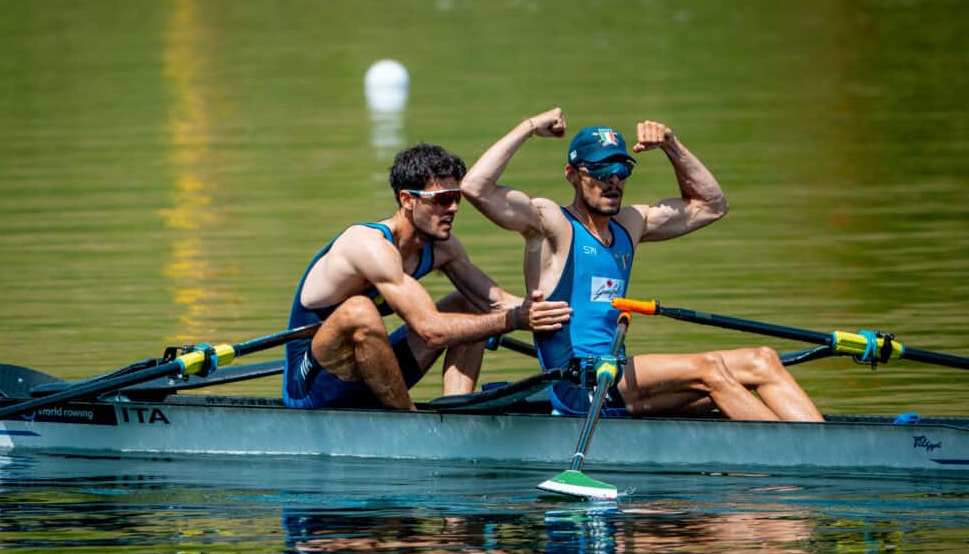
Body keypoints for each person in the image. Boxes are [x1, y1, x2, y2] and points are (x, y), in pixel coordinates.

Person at [460, 108, 824, 422]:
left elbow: (712, 205)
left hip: (615, 379)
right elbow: (475, 187)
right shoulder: (552, 224)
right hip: (579, 384)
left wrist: (670, 144)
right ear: (572, 174)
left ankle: (825, 447)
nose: (613, 180)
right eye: (601, 170)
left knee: (762, 360)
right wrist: (528, 127)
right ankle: (798, 457)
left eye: (621, 168)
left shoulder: (630, 225)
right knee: (710, 371)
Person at [283, 142, 572, 411]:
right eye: (443, 199)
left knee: (470, 306)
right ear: (407, 200)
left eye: (456, 197)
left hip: (375, 372)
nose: (454, 208)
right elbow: (431, 331)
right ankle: (409, 419)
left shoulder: (444, 248)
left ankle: (458, 411)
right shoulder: (367, 246)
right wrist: (514, 320)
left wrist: (559, 312)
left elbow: (498, 303)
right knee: (360, 311)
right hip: (314, 382)